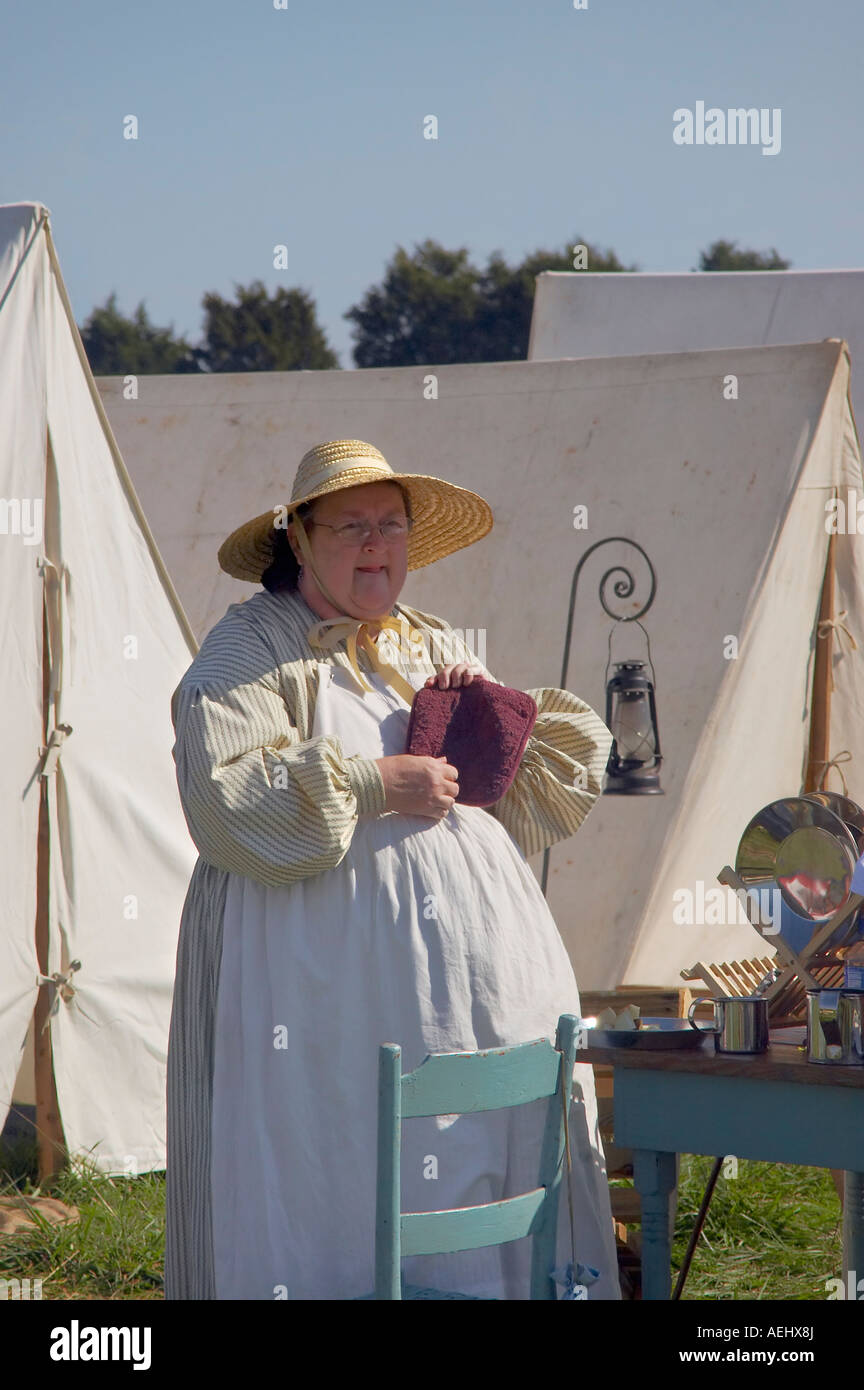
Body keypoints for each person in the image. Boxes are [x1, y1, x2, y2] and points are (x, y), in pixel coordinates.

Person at [165, 437, 620, 1300]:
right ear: (297, 539)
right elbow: (223, 798)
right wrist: (376, 784)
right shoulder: (251, 649)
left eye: (391, 526)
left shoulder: (428, 641)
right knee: (340, 1162)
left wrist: (488, 711)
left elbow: (521, 791)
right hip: (308, 996)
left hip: (467, 993)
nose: (376, 544)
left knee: (477, 1161)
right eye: (351, 526)